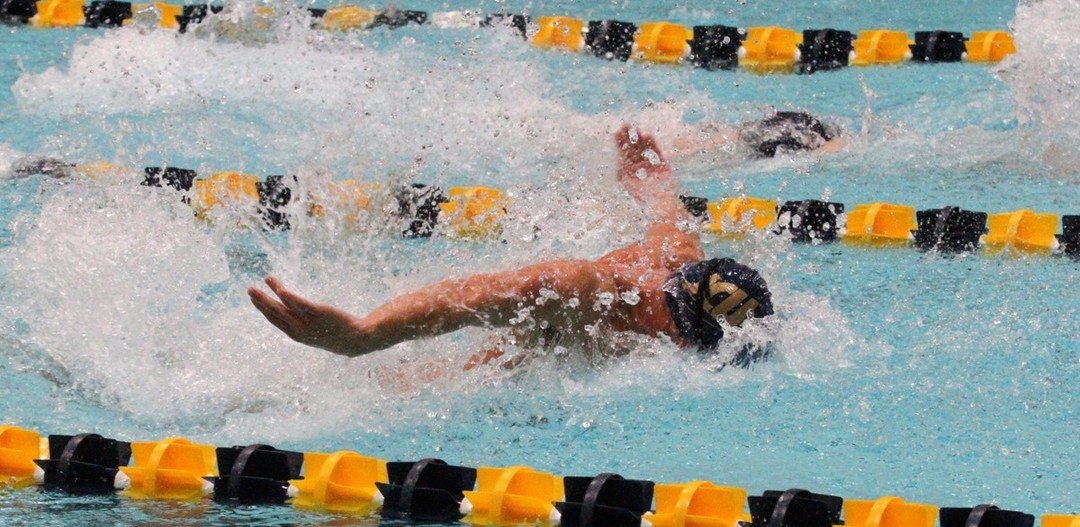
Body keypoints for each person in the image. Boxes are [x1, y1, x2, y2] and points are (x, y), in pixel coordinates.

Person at [247, 125, 774, 365]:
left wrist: (646, 176)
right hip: (489, 371)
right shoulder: (593, 290)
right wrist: (364, 335)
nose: (682, 340)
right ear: (677, 290)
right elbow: (475, 294)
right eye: (680, 323)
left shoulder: (682, 264)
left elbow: (665, 204)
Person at [668, 110, 844, 160]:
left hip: (777, 129)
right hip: (777, 133)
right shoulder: (819, 138)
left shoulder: (815, 131)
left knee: (731, 136)